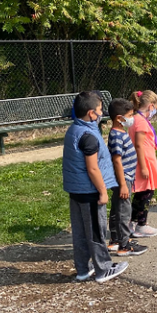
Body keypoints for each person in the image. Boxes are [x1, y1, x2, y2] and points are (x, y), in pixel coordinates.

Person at [62, 91, 128, 283]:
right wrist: (102, 191)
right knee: (96, 232)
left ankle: (83, 269)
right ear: (91, 113)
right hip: (90, 192)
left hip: (76, 191)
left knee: (81, 232)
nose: (101, 113)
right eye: (99, 110)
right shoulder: (88, 136)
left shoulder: (73, 129)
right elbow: (92, 168)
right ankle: (103, 269)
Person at [107, 98, 148, 257]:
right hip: (123, 179)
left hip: (125, 178)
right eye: (130, 115)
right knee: (124, 212)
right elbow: (117, 160)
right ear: (119, 118)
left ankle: (116, 240)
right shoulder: (116, 135)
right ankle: (124, 245)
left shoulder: (120, 132)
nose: (132, 119)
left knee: (118, 208)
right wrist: (123, 184)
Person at [128, 90, 157, 238]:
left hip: (145, 159)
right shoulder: (141, 122)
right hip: (144, 162)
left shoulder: (136, 119)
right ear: (150, 106)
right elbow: (138, 145)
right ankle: (141, 225)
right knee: (147, 192)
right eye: (155, 108)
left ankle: (132, 221)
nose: (155, 111)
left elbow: (143, 141)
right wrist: (143, 167)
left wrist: (156, 145)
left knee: (142, 192)